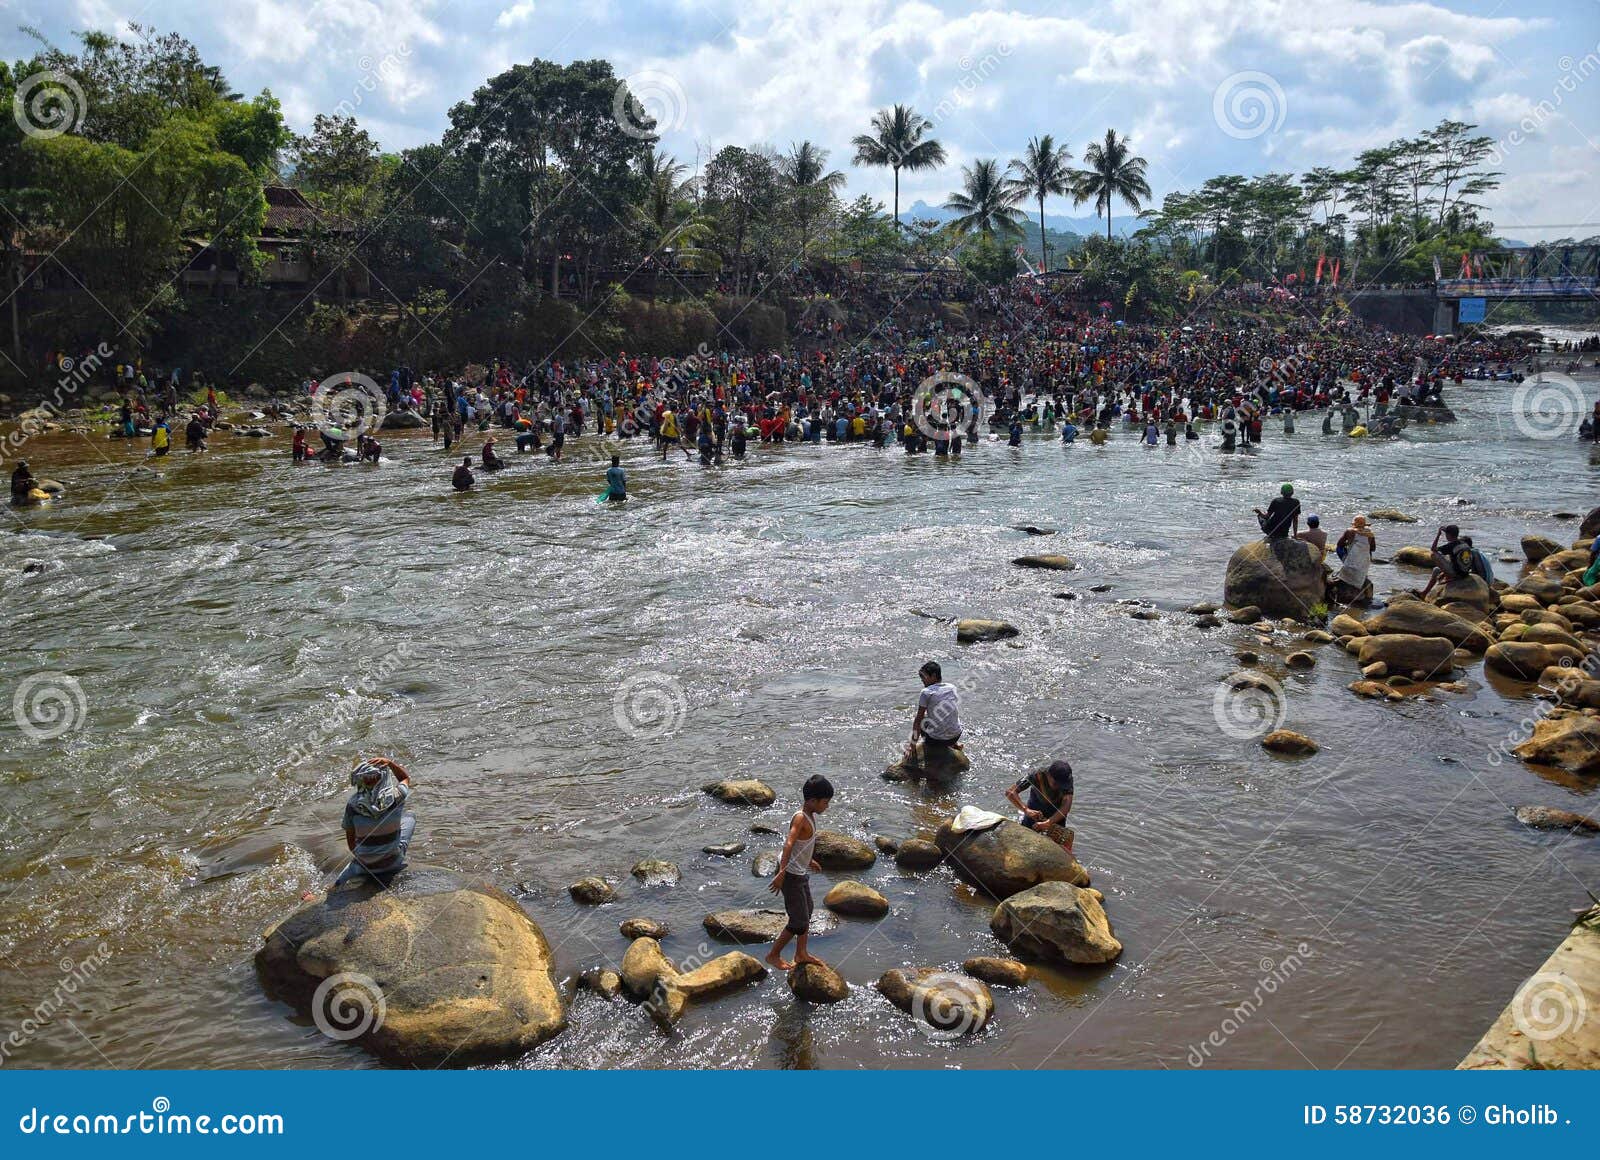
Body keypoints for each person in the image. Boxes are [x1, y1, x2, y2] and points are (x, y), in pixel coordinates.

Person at [765, 774, 833, 972]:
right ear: (812, 801)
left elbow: (801, 845)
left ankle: (801, 953)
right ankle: (773, 954)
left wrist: (809, 859)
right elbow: (789, 843)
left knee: (808, 909)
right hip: (790, 875)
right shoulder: (801, 818)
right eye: (825, 802)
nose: (826, 807)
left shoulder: (810, 817)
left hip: (799, 871)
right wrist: (781, 873)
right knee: (799, 920)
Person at [336, 758, 414, 886]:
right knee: (410, 816)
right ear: (383, 777)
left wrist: (365, 858)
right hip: (393, 863)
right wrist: (389, 763)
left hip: (363, 867)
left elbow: (351, 842)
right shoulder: (397, 795)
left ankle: (316, 896)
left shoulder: (352, 805)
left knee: (336, 886)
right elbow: (404, 778)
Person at [1005, 759, 1074, 851]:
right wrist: (1026, 810)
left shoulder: (1066, 781)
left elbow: (1066, 806)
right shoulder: (1036, 775)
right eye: (1055, 784)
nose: (1059, 787)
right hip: (1034, 813)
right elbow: (1010, 792)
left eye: (1062, 786)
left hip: (1056, 817)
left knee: (1057, 849)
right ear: (1048, 775)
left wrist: (1049, 822)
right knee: (1024, 845)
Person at [908, 660, 962, 767]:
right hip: (956, 735)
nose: (922, 680)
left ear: (933, 676)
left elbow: (918, 720)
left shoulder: (926, 692)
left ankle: (931, 749)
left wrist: (912, 745)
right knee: (946, 714)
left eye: (923, 677)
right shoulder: (952, 687)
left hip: (937, 741)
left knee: (922, 718)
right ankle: (954, 744)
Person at [1417, 523, 1473, 599]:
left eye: (1446, 534)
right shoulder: (1463, 543)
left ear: (1449, 535)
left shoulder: (1451, 546)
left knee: (1434, 555)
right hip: (1465, 573)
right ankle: (1425, 592)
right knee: (1436, 570)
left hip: (1457, 574)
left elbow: (1433, 549)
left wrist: (1438, 535)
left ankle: (1449, 576)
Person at [1333, 516, 1375, 603]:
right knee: (1368, 551)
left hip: (1351, 561)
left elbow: (1339, 544)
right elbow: (1373, 548)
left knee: (1339, 548)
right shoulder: (1370, 534)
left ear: (1354, 524)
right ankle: (1363, 573)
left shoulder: (1349, 531)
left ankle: (1346, 563)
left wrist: (1348, 544)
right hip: (1364, 562)